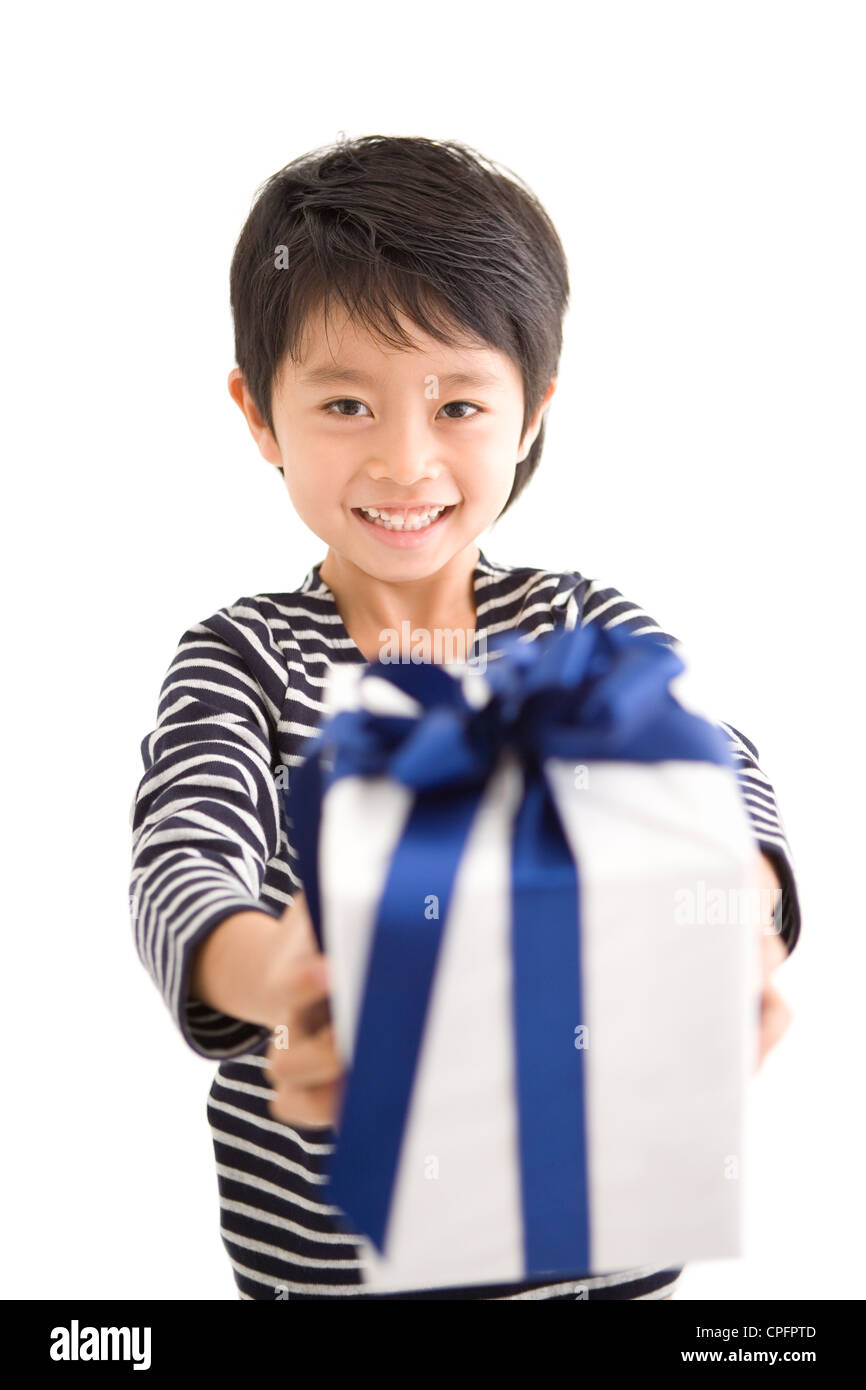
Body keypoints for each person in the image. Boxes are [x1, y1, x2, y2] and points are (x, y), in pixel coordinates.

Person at [129, 135, 800, 1301]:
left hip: (608, 1248)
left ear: (531, 410)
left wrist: (739, 914)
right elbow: (183, 857)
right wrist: (282, 972)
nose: (403, 460)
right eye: (344, 401)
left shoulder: (581, 629)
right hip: (339, 1267)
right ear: (257, 412)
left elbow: (713, 766)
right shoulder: (245, 657)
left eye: (456, 402)